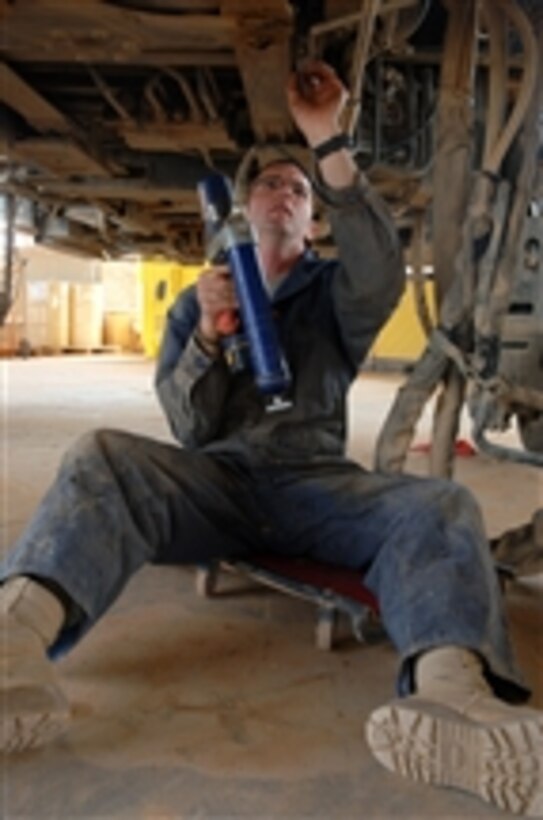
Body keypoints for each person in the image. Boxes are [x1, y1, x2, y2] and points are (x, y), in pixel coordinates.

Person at [1, 60, 542, 816]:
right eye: (271, 186)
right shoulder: (202, 300)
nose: (285, 194)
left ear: (312, 219)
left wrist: (327, 143)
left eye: (299, 190)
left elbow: (381, 270)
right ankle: (11, 651)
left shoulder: (335, 296)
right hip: (216, 484)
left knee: (441, 506)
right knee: (101, 454)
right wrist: (206, 339)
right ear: (245, 210)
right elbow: (191, 428)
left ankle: (453, 700)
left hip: (318, 485)